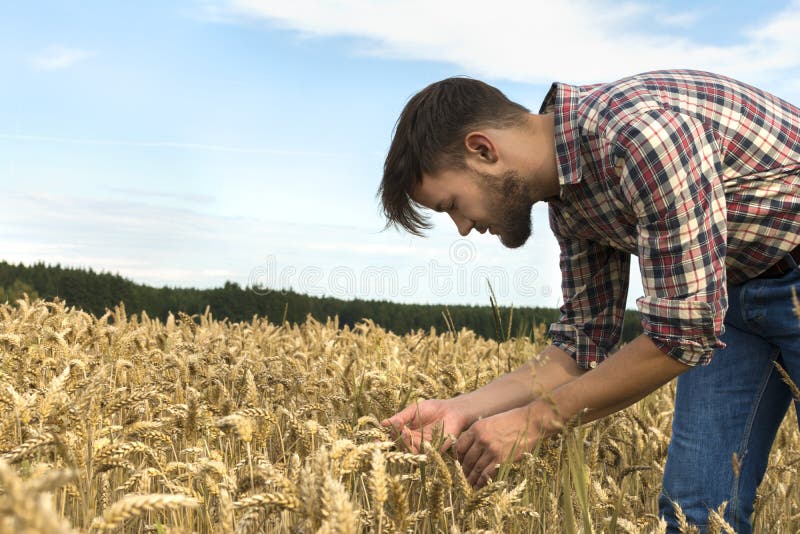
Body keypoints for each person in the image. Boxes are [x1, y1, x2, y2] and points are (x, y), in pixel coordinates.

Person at [376, 69, 800, 533]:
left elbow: (681, 335)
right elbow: (579, 347)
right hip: (730, 299)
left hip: (749, 288)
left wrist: (533, 421)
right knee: (694, 515)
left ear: (483, 150)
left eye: (451, 204)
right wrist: (462, 408)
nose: (462, 226)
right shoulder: (571, 203)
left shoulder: (641, 137)